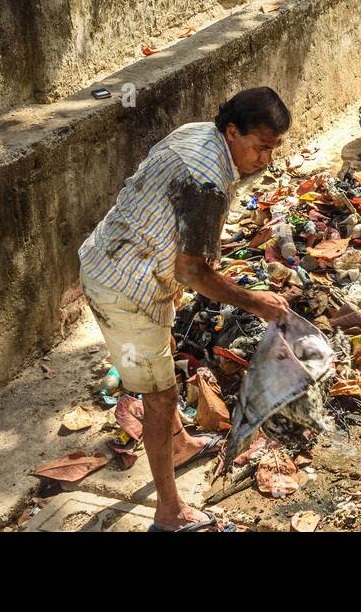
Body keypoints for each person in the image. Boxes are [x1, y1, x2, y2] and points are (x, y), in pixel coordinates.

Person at [78, 87, 292, 529]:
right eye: (261, 147)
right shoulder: (208, 180)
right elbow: (194, 271)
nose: (266, 159)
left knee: (166, 354)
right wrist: (257, 303)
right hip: (125, 285)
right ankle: (169, 512)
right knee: (160, 397)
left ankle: (176, 445)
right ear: (232, 131)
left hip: (112, 257)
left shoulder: (197, 133)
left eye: (273, 149)